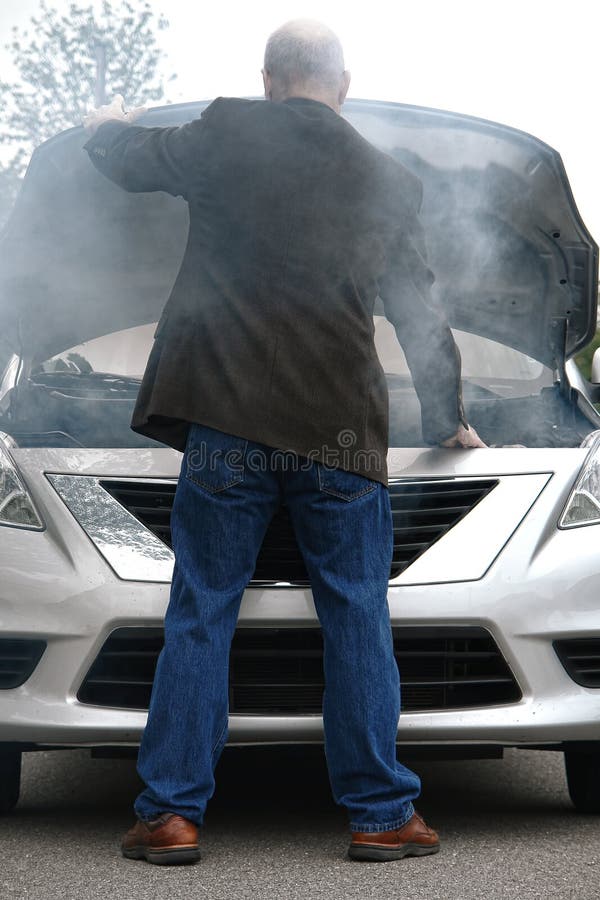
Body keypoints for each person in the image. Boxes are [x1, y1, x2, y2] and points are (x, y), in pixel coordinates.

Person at [83, 19, 485, 866]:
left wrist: (105, 126)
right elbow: (419, 312)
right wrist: (446, 412)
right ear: (343, 85)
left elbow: (130, 161)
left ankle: (170, 817)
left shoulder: (226, 131)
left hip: (226, 424)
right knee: (356, 614)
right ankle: (381, 814)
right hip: (338, 431)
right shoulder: (386, 178)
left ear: (269, 79)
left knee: (202, 612)